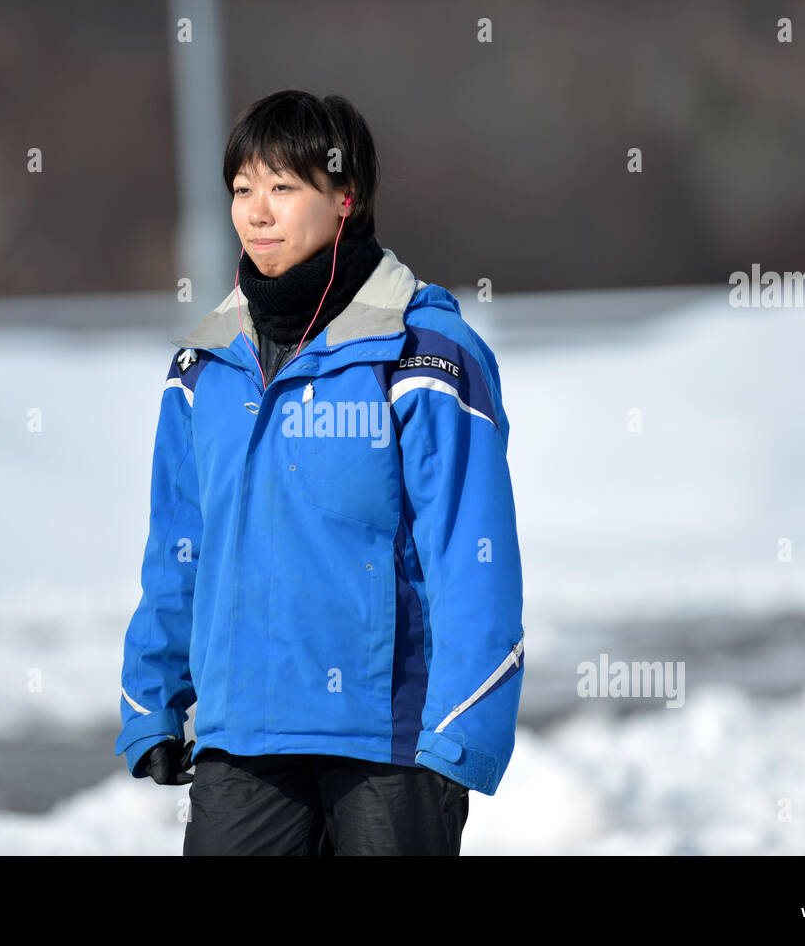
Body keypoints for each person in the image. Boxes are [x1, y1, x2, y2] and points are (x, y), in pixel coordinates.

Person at [115, 89, 525, 855]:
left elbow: (474, 557)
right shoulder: (205, 366)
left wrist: (462, 734)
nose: (256, 212)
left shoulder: (424, 354)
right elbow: (183, 543)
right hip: (244, 740)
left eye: (282, 188)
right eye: (242, 189)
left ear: (346, 198)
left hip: (390, 748)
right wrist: (154, 694)